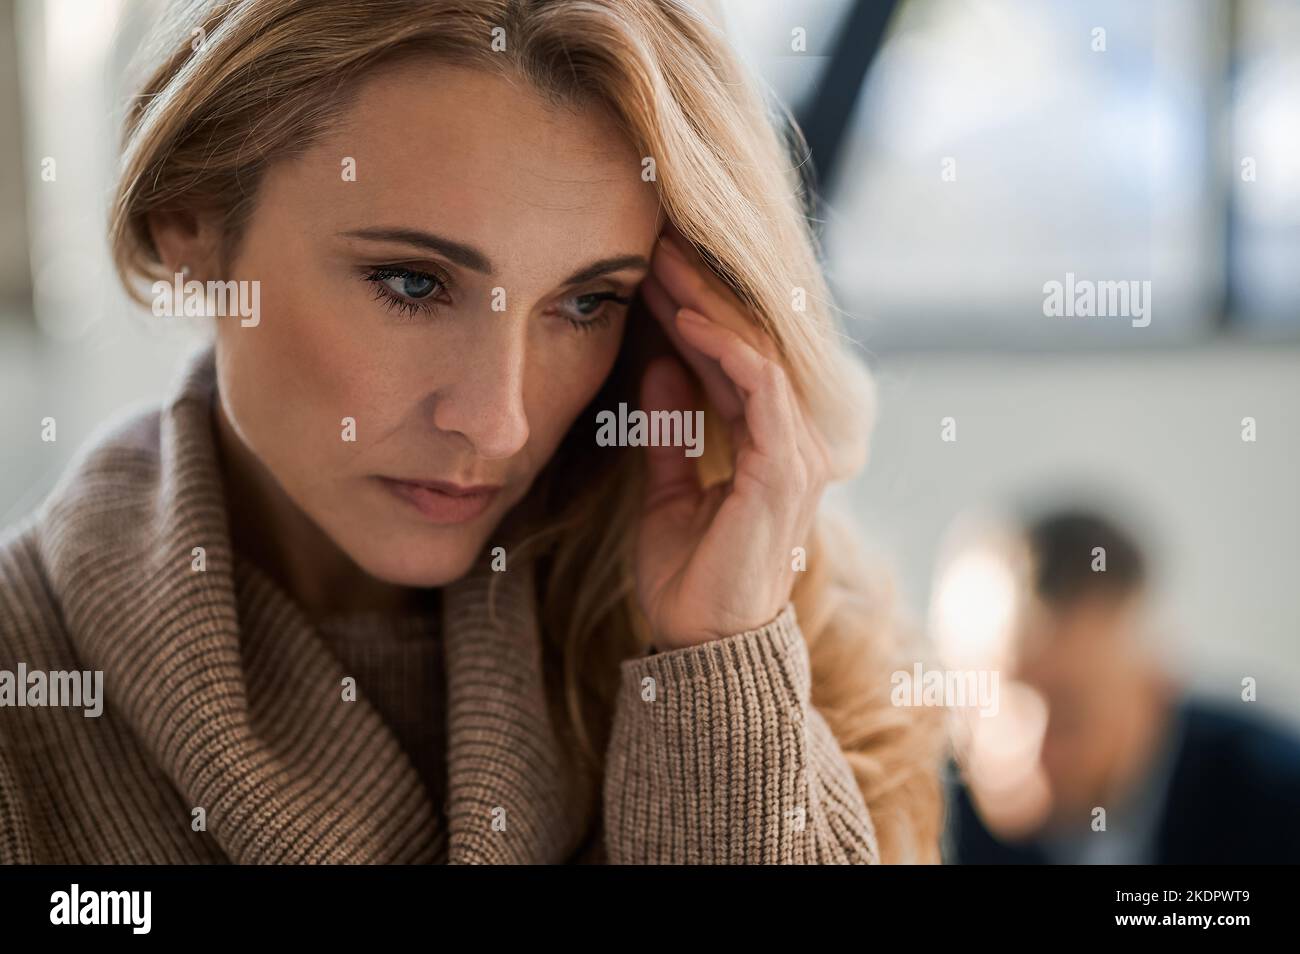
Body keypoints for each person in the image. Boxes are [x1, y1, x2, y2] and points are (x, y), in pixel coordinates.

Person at [0, 0, 945, 864]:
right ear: (189, 226)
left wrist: (719, 672)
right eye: (412, 283)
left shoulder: (795, 660)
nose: (500, 423)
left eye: (586, 301)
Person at [950, 509, 1300, 864]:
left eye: (1070, 716)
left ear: (1157, 687)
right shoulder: (919, 814)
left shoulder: (1279, 807)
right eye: (994, 701)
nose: (1029, 751)